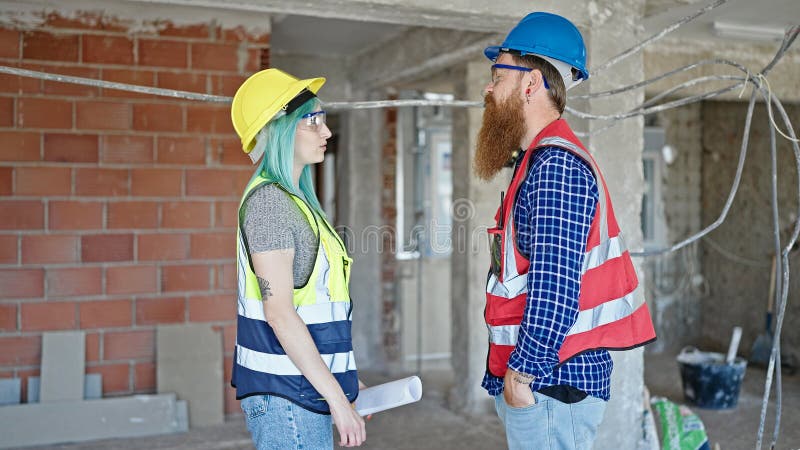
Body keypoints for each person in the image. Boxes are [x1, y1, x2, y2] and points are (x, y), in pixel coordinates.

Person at [476, 12, 657, 450]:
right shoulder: (537, 161)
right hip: (547, 383)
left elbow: (556, 287)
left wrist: (522, 375)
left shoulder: (556, 167)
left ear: (531, 83)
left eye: (497, 75)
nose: (488, 88)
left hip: (551, 385)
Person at [230, 68, 366, 449]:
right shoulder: (270, 204)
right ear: (279, 128)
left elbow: (314, 309)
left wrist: (344, 379)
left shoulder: (298, 203)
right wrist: (339, 402)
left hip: (300, 391)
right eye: (314, 121)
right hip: (286, 399)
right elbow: (280, 314)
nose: (326, 132)